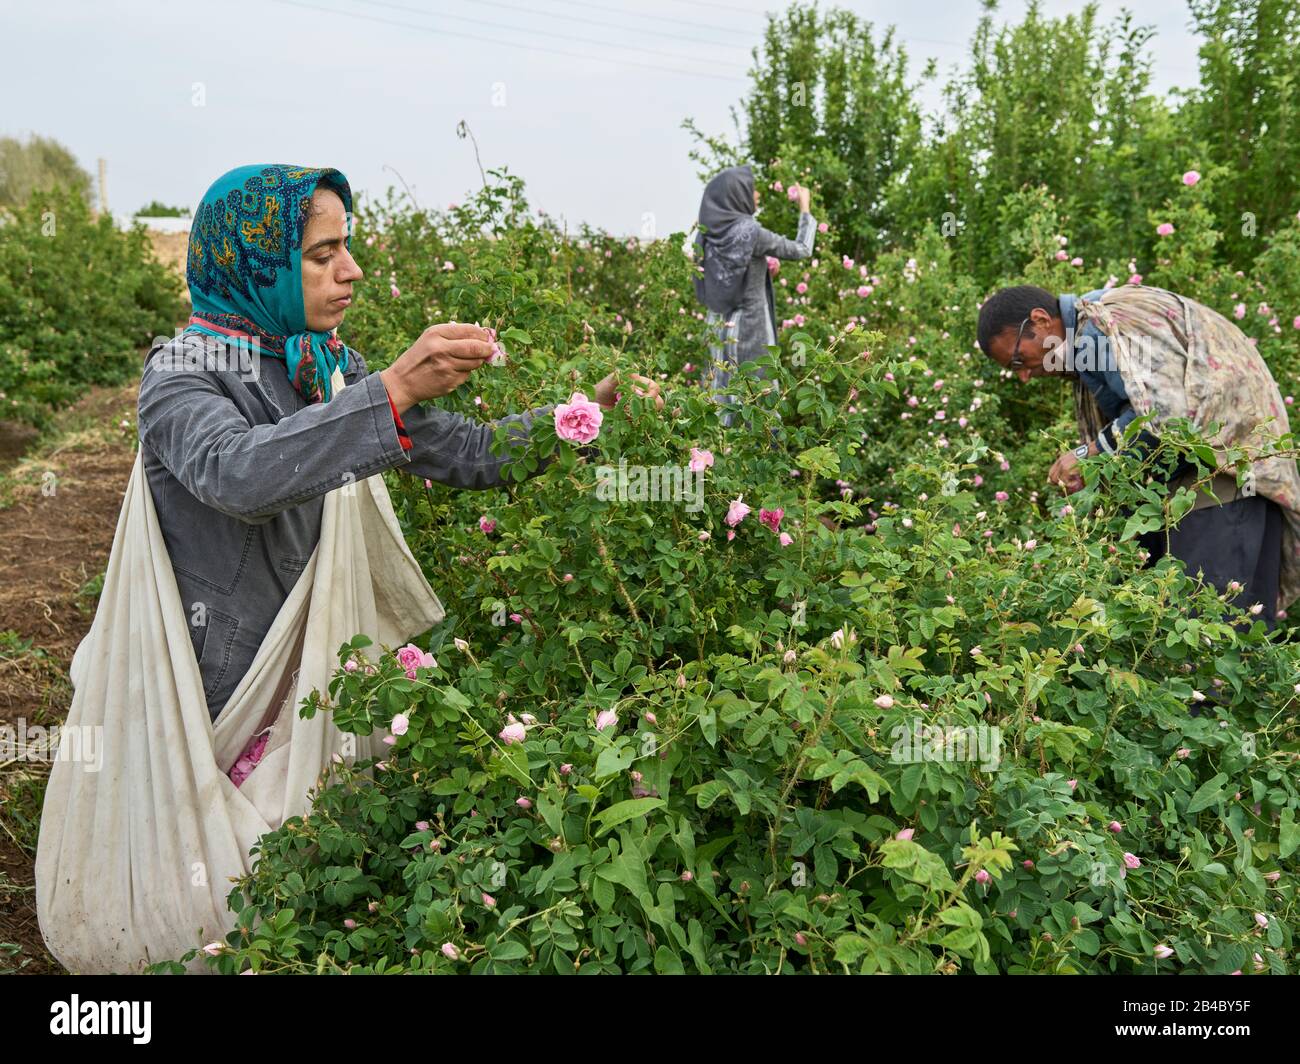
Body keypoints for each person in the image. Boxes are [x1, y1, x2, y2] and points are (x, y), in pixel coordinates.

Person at [140, 163, 662, 731]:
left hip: (320, 670)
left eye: (347, 247)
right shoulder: (182, 368)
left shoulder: (324, 366)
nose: (352, 271)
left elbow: (474, 452)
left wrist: (583, 416)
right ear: (255, 266)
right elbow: (236, 475)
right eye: (323, 256)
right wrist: (395, 387)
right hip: (220, 682)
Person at [977, 282, 1300, 625]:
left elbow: (1164, 415)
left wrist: (1090, 453)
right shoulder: (1099, 329)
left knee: (1212, 642)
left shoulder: (1106, 324)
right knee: (1220, 639)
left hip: (1219, 492)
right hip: (1224, 493)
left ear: (1040, 321)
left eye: (1018, 360)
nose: (1025, 376)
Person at [691, 165, 816, 428]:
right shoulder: (751, 232)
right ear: (737, 194)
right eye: (752, 189)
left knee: (720, 392)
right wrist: (805, 209)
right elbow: (802, 248)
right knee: (760, 396)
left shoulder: (706, 234)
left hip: (718, 326)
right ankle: (768, 461)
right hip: (750, 327)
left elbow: (721, 272)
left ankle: (716, 457)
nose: (757, 194)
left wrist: (763, 267)